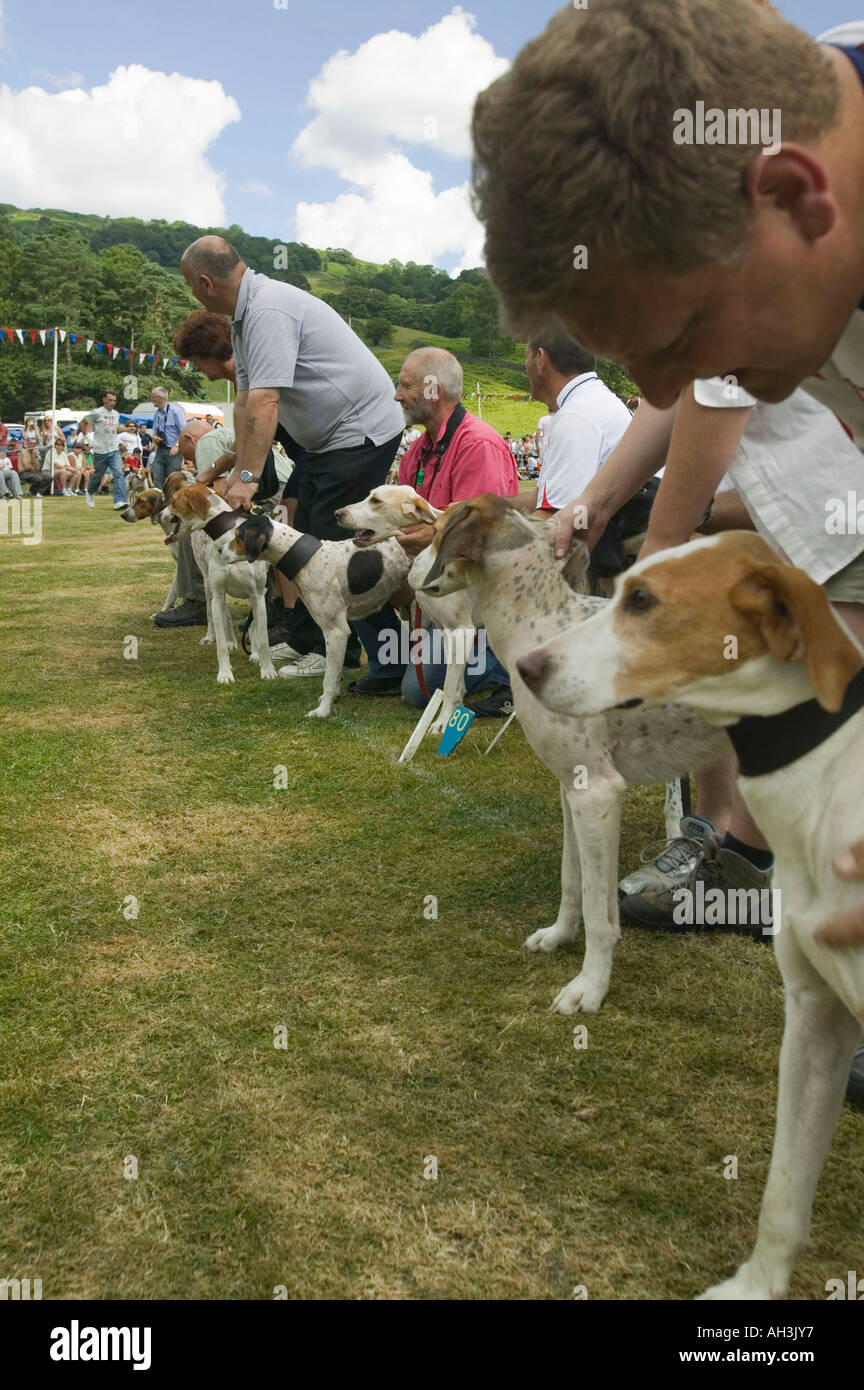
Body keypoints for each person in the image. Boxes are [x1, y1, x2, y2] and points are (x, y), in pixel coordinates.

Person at [471, 0, 864, 1091]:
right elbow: (693, 388)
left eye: (677, 340)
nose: (666, 395)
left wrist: (673, 544)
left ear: (791, 198)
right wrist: (604, 504)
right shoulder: (784, 222)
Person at [180, 236, 404, 681]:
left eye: (190, 287)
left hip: (360, 431)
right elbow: (244, 404)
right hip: (328, 441)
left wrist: (245, 478)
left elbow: (265, 400)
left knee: (326, 542)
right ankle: (307, 636)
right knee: (299, 532)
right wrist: (236, 477)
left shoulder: (266, 311)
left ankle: (366, 655)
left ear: (205, 282)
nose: (192, 295)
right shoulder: (245, 319)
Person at [366, 346, 518, 714]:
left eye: (405, 386)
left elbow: (477, 532)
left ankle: (511, 666)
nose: (397, 394)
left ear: (435, 390)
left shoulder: (477, 444)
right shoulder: (416, 451)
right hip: (438, 584)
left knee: (420, 691)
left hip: (477, 594)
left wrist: (426, 537)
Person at [523, 335, 632, 513]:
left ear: (541, 360)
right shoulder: (589, 399)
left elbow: (558, 518)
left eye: (527, 357)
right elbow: (539, 499)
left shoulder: (576, 415)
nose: (525, 367)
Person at [79, 389, 128, 510]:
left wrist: (126, 430)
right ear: (104, 399)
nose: (112, 403)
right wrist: (87, 438)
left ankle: (120, 501)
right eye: (110, 400)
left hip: (113, 449)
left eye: (114, 400)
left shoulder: (116, 414)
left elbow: (113, 429)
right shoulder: (97, 412)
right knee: (98, 475)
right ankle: (90, 491)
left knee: (119, 473)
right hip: (100, 449)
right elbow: (82, 423)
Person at [148, 388, 186, 490]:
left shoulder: (175, 412)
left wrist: (177, 446)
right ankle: (160, 503)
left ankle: (173, 503)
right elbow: (155, 430)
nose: (151, 400)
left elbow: (184, 431)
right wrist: (154, 438)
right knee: (157, 476)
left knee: (172, 480)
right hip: (160, 450)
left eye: (153, 397)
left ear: (160, 398)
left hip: (173, 451)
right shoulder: (157, 414)